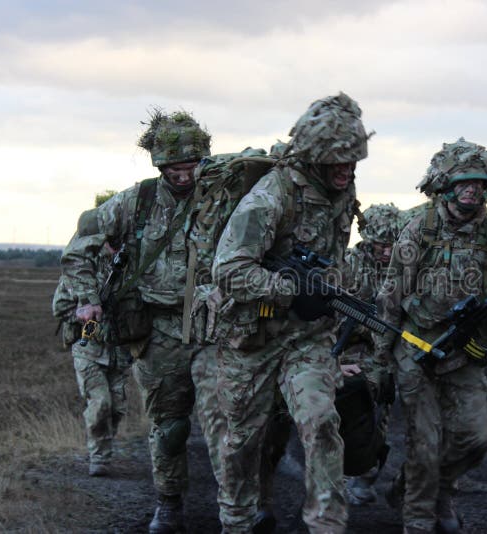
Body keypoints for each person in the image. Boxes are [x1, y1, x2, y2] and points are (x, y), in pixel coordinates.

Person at [211, 92, 370, 534]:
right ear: (315, 157)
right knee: (242, 441)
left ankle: (326, 525)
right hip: (252, 340)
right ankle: (237, 523)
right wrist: (289, 290)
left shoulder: (342, 191)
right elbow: (228, 270)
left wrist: (329, 289)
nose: (347, 169)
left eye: (353, 160)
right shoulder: (270, 196)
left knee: (321, 423)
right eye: (337, 161)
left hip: (307, 338)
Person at [60, 109, 222, 533]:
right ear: (159, 164)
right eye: (174, 167)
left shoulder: (226, 196)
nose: (183, 175)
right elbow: (79, 247)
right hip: (160, 332)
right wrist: (88, 300)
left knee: (230, 421)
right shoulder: (138, 201)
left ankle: (240, 506)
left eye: (190, 165)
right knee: (169, 427)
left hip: (217, 330)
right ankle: (169, 503)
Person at [374, 138, 487, 534]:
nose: (473, 189)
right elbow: (391, 295)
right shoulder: (420, 228)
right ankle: (417, 520)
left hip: (465, 353)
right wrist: (380, 361)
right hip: (416, 350)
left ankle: (438, 489)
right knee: (425, 443)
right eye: (465, 181)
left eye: (481, 183)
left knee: (477, 437)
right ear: (446, 185)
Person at [53, 210, 133, 478]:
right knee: (100, 403)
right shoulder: (82, 271)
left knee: (117, 408)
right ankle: (99, 457)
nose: (115, 247)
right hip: (88, 348)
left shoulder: (132, 267)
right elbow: (60, 306)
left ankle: (104, 449)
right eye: (112, 241)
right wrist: (83, 311)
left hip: (120, 350)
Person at [338, 203, 403, 505]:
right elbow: (328, 311)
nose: (386, 252)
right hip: (348, 352)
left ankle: (366, 473)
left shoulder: (403, 270)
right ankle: (341, 475)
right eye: (380, 245)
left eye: (392, 246)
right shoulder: (346, 264)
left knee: (381, 418)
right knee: (351, 413)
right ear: (367, 239)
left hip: (386, 356)